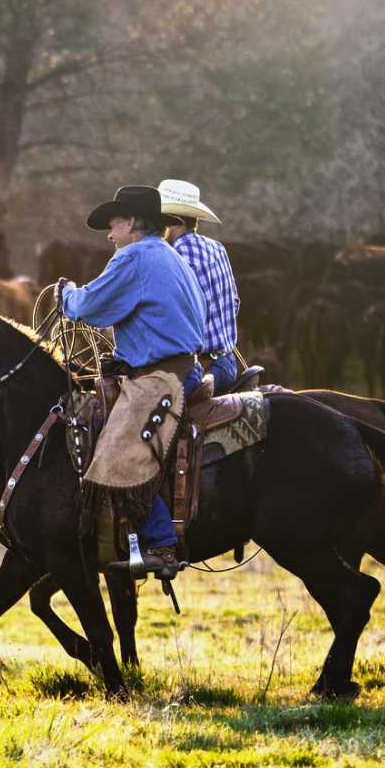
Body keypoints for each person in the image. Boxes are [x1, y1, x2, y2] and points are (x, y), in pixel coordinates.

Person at [58, 185, 210, 580]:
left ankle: (160, 543)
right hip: (181, 366)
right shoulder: (168, 256)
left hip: (160, 376)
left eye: (112, 225)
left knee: (115, 455)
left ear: (129, 223)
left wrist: (65, 295)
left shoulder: (134, 257)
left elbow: (89, 306)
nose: (109, 235)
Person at [159, 179, 244, 394]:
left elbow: (171, 319)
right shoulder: (217, 248)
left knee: (153, 415)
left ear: (172, 221)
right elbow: (234, 303)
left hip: (199, 370)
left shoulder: (174, 257)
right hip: (228, 363)